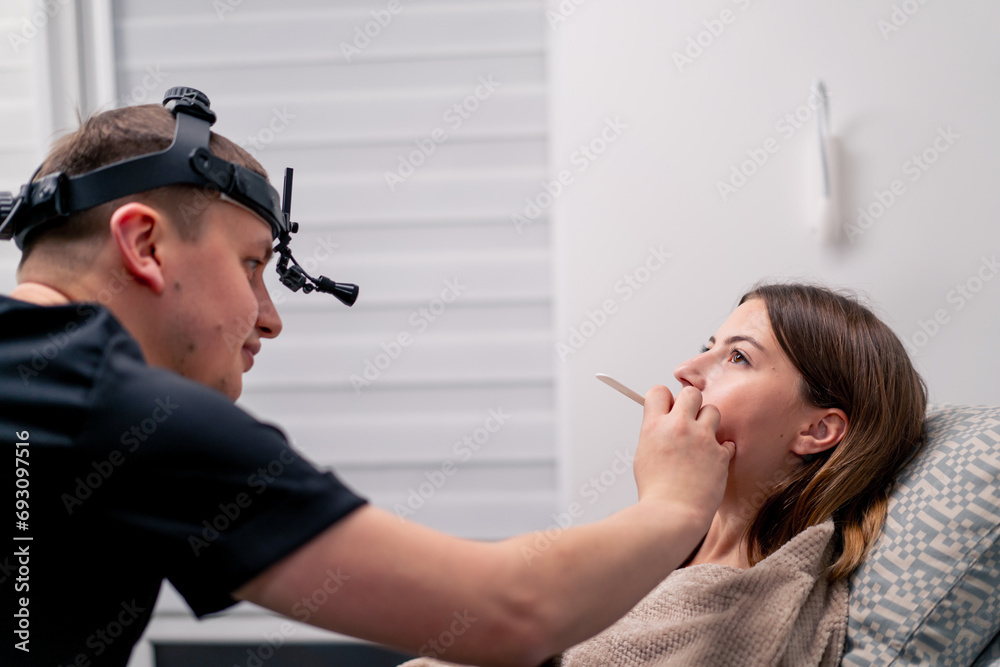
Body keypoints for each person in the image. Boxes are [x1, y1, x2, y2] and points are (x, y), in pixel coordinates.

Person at [0, 94, 735, 667]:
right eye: (254, 264)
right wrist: (675, 503)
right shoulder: (126, 412)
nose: (269, 318)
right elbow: (513, 611)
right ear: (144, 243)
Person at [404, 282, 928, 667]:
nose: (685, 369)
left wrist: (666, 502)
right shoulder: (666, 549)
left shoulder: (754, 615)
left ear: (817, 430)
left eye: (739, 357)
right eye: (709, 346)